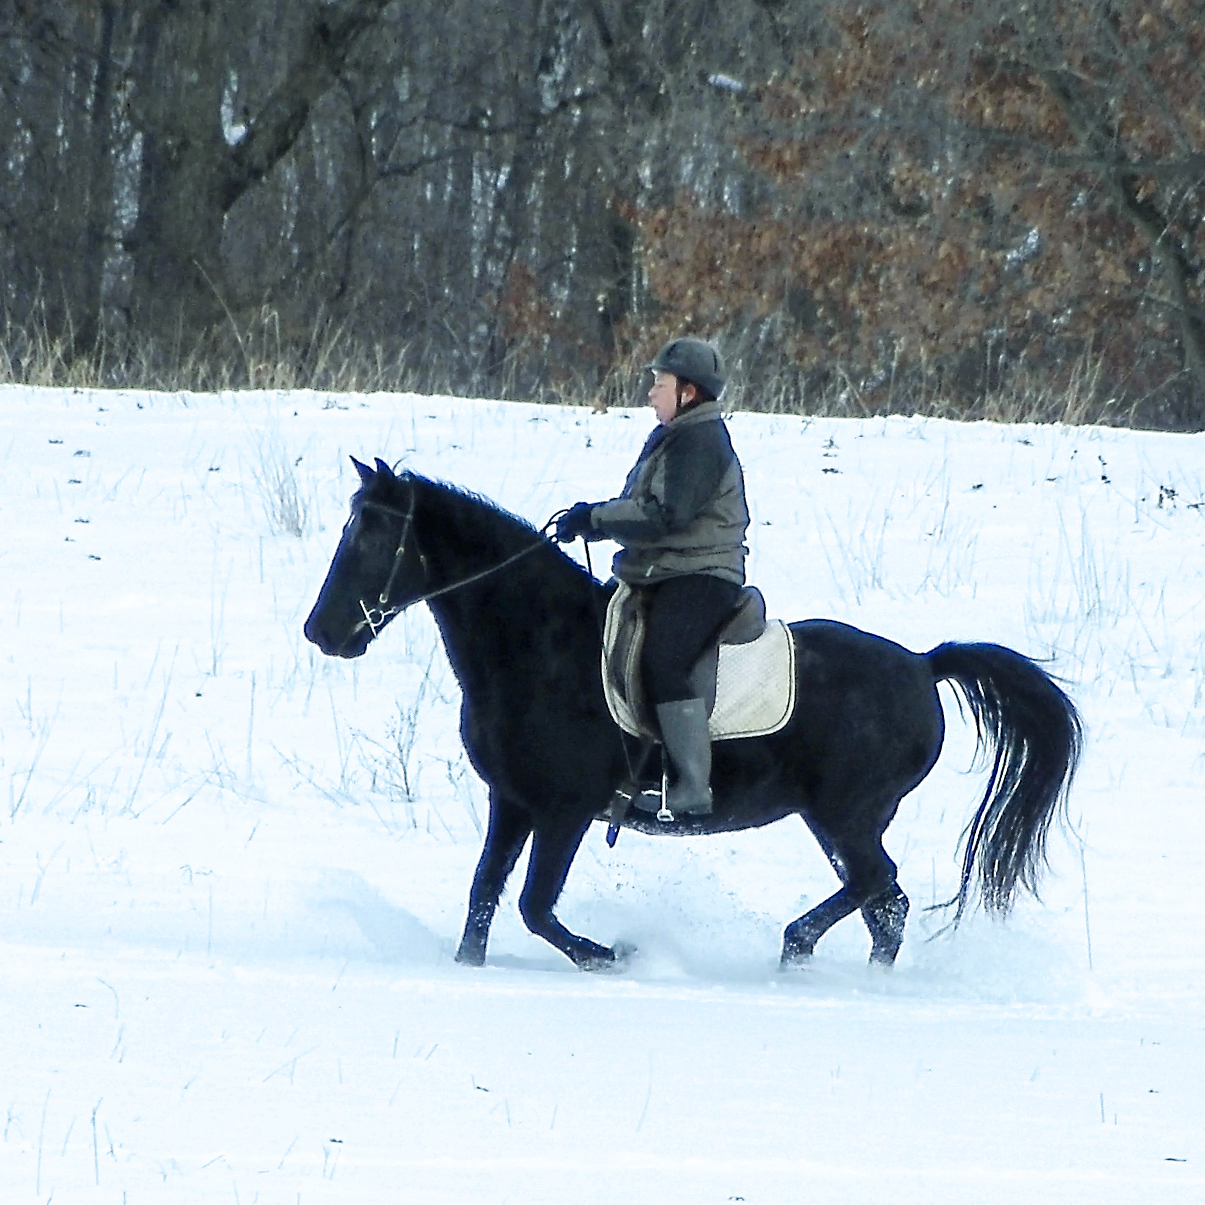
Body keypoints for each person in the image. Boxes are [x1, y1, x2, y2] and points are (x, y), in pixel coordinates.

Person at [554, 336, 750, 815]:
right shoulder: (676, 437)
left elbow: (667, 515)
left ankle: (691, 788)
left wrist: (596, 519)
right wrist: (596, 521)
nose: (650, 393)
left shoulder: (700, 440)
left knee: (664, 661)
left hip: (700, 576)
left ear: (688, 391)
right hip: (662, 573)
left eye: (659, 384)